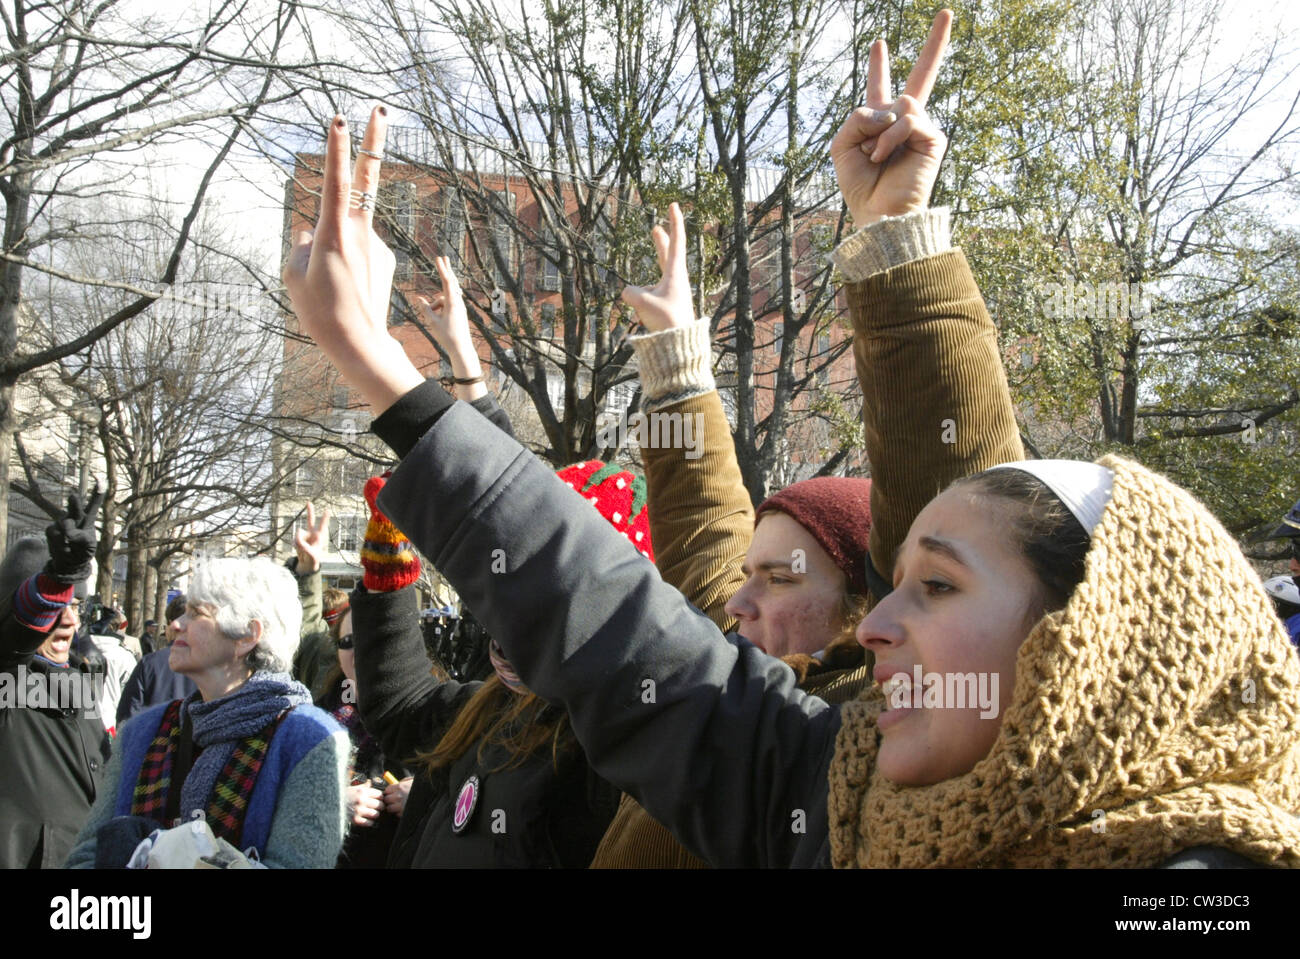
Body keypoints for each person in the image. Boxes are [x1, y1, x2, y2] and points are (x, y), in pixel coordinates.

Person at [283, 11, 1300, 868]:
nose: (881, 625)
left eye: (933, 585)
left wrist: (900, 250)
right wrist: (402, 371)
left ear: (1087, 647)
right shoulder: (834, 794)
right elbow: (628, 597)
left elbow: (951, 474)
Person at [66, 556, 350, 868]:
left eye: (196, 614)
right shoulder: (142, 732)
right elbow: (83, 857)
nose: (175, 625)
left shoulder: (310, 739)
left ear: (246, 636)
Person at [0, 492, 113, 869]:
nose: (69, 620)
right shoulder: (8, 680)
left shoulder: (84, 679)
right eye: (56, 607)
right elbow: (14, 640)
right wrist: (56, 580)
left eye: (76, 605)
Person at [116, 594, 198, 726]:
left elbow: (127, 718)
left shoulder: (149, 664)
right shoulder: (212, 665)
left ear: (172, 624)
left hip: (153, 742)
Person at [85, 605, 139, 732]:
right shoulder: (125, 656)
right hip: (110, 722)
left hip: (80, 722)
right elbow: (130, 697)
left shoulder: (77, 651)